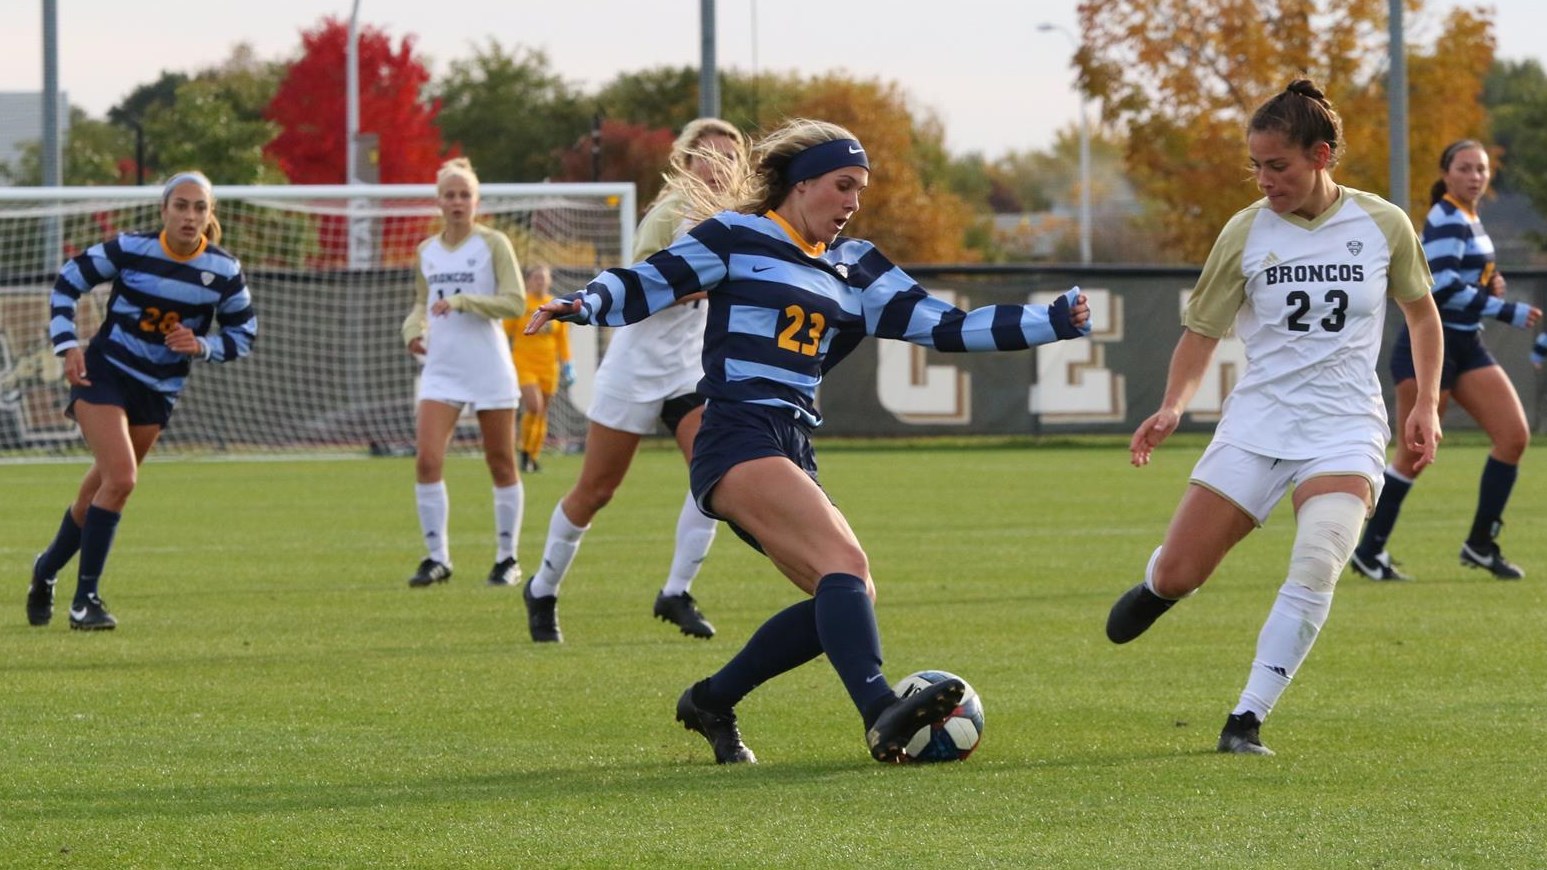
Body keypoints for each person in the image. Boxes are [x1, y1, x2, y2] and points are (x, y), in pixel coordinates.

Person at [526, 118, 1091, 764]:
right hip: (736, 431)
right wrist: (584, 304)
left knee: (846, 594)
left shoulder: (857, 268)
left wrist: (1050, 321)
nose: (853, 201)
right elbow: (649, 280)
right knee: (843, 568)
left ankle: (712, 699)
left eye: (860, 190)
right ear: (799, 183)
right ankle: (879, 709)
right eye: (842, 185)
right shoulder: (735, 236)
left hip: (792, 441)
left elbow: (949, 327)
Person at [1104, 80, 1444, 756]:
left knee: (1318, 560)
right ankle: (1158, 583)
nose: (1264, 180)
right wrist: (1172, 405)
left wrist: (1426, 403)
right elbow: (1202, 332)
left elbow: (1422, 315)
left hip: (1345, 427)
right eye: (1255, 166)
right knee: (1181, 574)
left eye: (1277, 166)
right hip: (1258, 424)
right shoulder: (1244, 231)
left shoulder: (1382, 224)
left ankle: (1246, 718)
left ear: (1321, 155)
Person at [522, 118, 747, 643]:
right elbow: (644, 285)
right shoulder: (670, 213)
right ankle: (542, 588)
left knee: (715, 477)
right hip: (637, 366)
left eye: (730, 157)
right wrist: (710, 289)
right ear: (687, 162)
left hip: (689, 369)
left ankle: (676, 591)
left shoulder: (743, 219)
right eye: (709, 156)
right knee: (596, 490)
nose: (719, 167)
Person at [26, 170, 258, 630]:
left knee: (97, 494)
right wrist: (67, 345)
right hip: (105, 373)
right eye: (181, 205)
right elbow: (68, 281)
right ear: (163, 210)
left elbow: (244, 333)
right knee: (122, 478)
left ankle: (46, 569)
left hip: (158, 390)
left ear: (210, 214)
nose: (190, 215)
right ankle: (85, 601)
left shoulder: (224, 271)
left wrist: (203, 345)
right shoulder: (131, 249)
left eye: (199, 208)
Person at [1350, 139, 1542, 581]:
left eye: (1482, 169)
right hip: (1430, 346)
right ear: (1446, 173)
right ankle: (1369, 551)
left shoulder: (1470, 217)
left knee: (1513, 437)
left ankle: (1480, 543)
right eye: (1465, 168)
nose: (1475, 176)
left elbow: (1466, 277)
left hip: (1467, 343)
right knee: (1413, 455)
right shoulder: (1446, 215)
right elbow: (1441, 285)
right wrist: (1505, 309)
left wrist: (1491, 284)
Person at [401, 157, 527, 589]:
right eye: (450, 195)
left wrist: (463, 301)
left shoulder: (493, 244)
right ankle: (437, 558)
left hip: (488, 365)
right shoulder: (426, 251)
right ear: (438, 201)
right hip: (442, 368)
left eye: (465, 195)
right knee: (427, 459)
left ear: (477, 201)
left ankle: (507, 558)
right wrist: (411, 329)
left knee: (501, 462)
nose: (457, 202)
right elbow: (422, 303)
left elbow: (515, 302)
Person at [503, 263, 573, 474]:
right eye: (536, 277)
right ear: (528, 281)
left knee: (542, 412)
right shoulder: (521, 304)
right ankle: (524, 451)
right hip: (524, 364)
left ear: (550, 280)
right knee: (534, 407)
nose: (540, 281)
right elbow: (505, 331)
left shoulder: (556, 305)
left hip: (549, 367)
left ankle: (533, 456)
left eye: (543, 277)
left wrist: (568, 363)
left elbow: (562, 339)